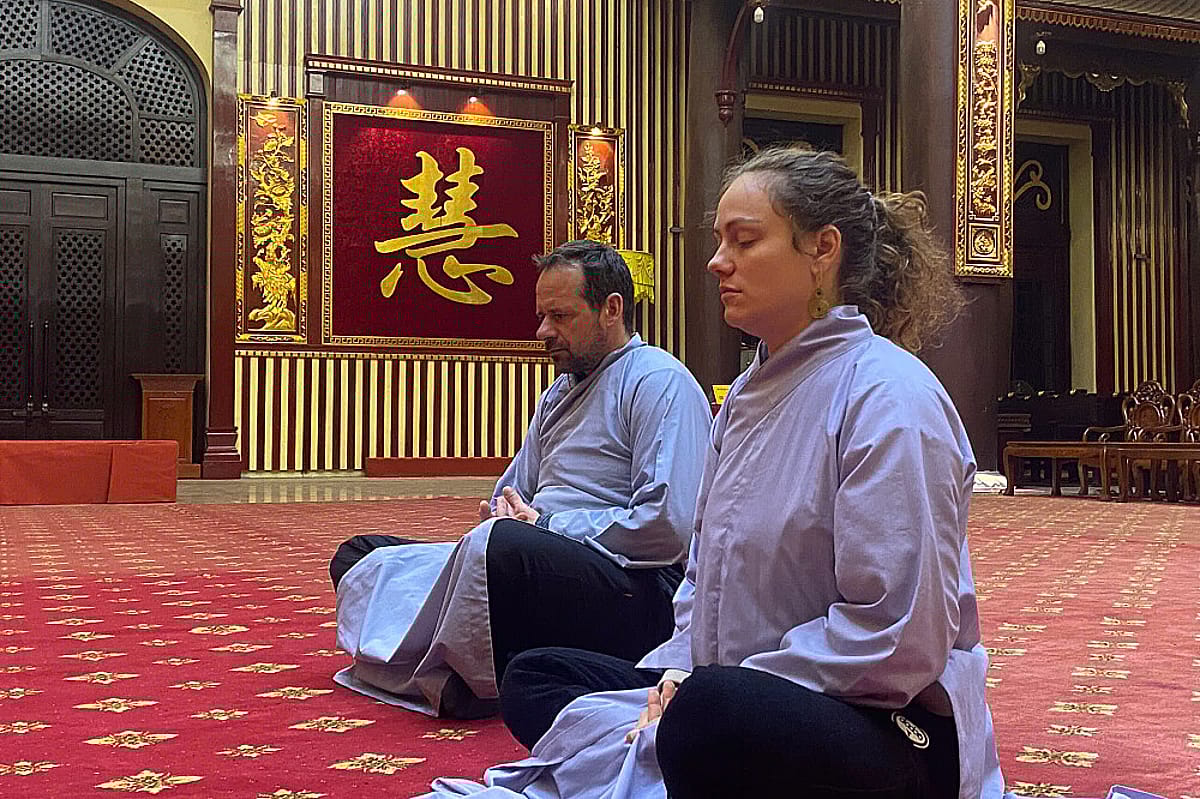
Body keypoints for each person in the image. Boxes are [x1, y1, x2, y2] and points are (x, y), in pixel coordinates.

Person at [416, 147, 1008, 798]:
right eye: (720, 240)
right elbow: (700, 577)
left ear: (823, 250)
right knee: (536, 674)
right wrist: (677, 672)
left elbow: (897, 638)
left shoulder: (888, 396)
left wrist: (707, 688)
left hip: (881, 717)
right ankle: (678, 735)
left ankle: (673, 738)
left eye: (743, 241)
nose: (717, 261)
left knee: (710, 713)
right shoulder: (747, 395)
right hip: (736, 688)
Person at [330, 240, 712, 719]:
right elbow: (515, 489)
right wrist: (503, 515)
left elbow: (667, 529)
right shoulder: (558, 392)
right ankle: (471, 670)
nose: (542, 331)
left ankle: (468, 672)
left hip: (633, 583)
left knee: (504, 548)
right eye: (542, 316)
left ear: (611, 310)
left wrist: (546, 527)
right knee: (361, 555)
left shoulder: (658, 381)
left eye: (560, 316)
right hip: (540, 555)